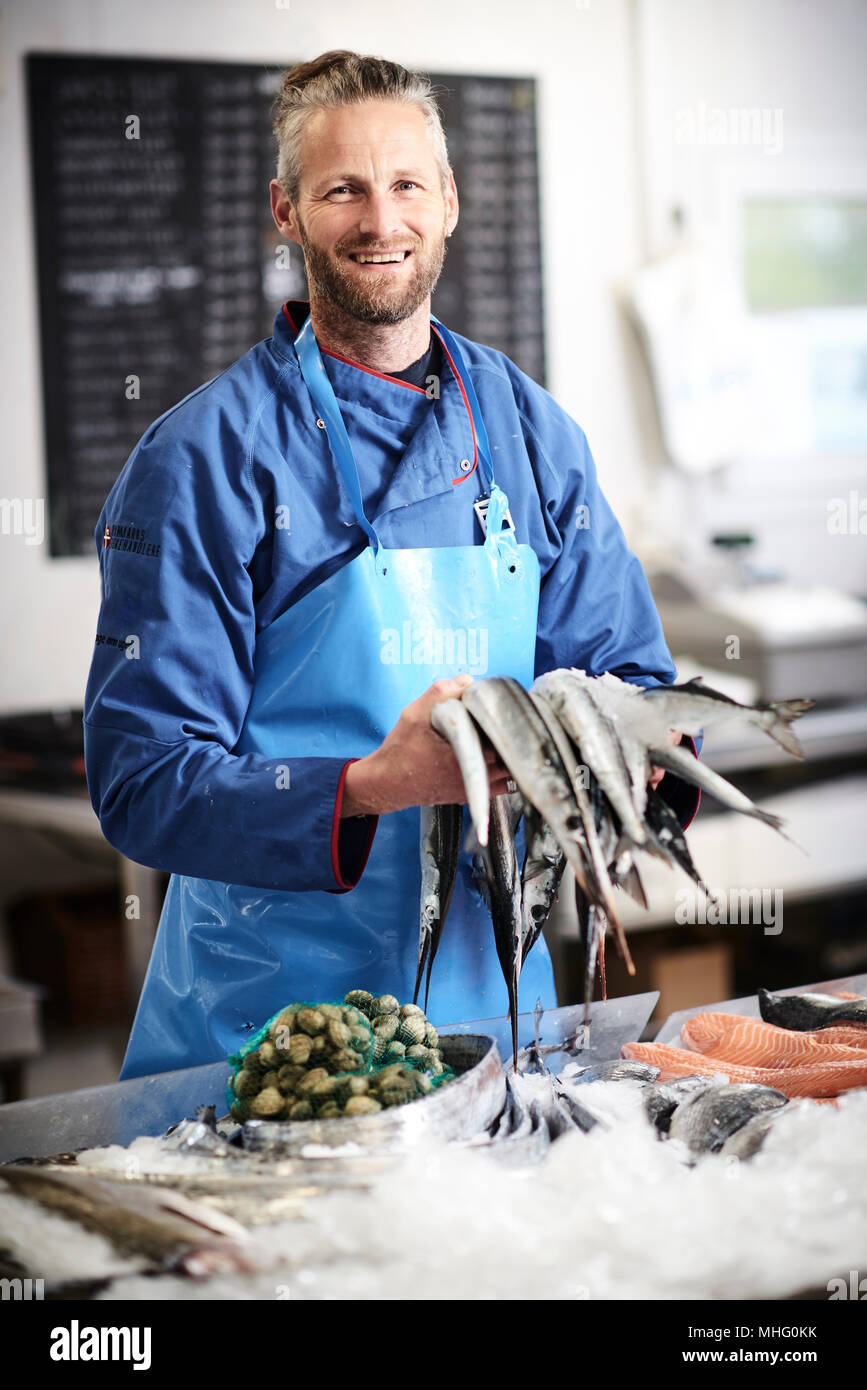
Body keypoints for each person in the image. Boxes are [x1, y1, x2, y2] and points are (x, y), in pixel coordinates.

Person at [84, 51, 697, 1081]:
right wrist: (373, 786)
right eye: (343, 190)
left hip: (499, 1033)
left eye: (408, 184)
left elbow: (631, 681)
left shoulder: (530, 431)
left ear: (449, 201)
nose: (382, 220)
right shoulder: (199, 460)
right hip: (265, 1045)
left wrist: (635, 758)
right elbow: (144, 781)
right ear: (286, 211)